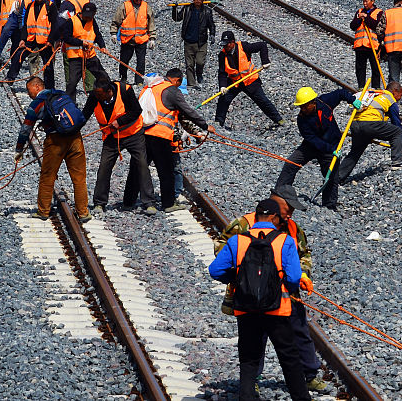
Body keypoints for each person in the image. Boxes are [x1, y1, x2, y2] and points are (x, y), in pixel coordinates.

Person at [214, 187, 325, 393]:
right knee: (268, 346)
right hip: (253, 294)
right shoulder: (243, 225)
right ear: (275, 205)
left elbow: (304, 254)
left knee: (299, 330)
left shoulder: (292, 228)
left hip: (285, 294)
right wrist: (241, 273)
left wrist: (304, 274)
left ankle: (309, 375)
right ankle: (257, 381)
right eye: (288, 209)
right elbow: (222, 247)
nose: (290, 214)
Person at [123, 68, 208, 211]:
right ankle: (168, 204)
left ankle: (128, 202)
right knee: (166, 171)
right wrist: (204, 125)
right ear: (177, 80)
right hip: (160, 136)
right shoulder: (172, 90)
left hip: (141, 134)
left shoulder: (150, 87)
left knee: (137, 168)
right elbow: (187, 111)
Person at [17, 76, 90, 222]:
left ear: (37, 87)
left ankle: (43, 211)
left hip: (56, 141)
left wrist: (19, 149)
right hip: (75, 137)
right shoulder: (60, 94)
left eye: (29, 90)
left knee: (47, 176)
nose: (29, 94)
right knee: (79, 177)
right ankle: (83, 212)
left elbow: (26, 128)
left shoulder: (37, 103)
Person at [83, 76, 156, 215]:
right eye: (96, 94)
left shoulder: (125, 90)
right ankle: (99, 203)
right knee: (104, 167)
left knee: (142, 164)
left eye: (100, 95)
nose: (98, 97)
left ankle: (149, 202)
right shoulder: (95, 96)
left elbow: (136, 111)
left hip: (133, 134)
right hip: (111, 137)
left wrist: (120, 121)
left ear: (109, 91)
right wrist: (72, 129)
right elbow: (85, 114)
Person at [275, 87, 353, 211]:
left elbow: (340, 93)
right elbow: (313, 139)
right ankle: (279, 194)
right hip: (312, 146)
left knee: (331, 176)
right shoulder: (302, 119)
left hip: (332, 144)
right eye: (301, 106)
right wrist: (330, 149)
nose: (303, 109)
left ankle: (329, 206)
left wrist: (352, 100)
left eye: (305, 106)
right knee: (291, 163)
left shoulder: (325, 102)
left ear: (313, 102)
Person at [337, 83, 402, 182]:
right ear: (395, 91)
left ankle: (338, 177)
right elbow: (396, 123)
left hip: (354, 124)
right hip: (370, 123)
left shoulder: (374, 94)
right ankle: (397, 162)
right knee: (397, 132)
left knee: (356, 150)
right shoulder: (390, 99)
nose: (400, 98)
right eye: (400, 95)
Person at [215, 32, 283, 130]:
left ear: (232, 42)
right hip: (235, 82)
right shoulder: (222, 55)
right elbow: (222, 73)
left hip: (250, 80)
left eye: (227, 44)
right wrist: (222, 86)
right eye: (223, 45)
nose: (225, 47)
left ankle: (279, 120)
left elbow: (262, 45)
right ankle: (218, 123)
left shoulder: (243, 47)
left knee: (262, 101)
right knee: (223, 99)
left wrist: (265, 61)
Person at [6, 0, 57, 88]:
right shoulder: (30, 6)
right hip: (31, 39)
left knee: (48, 64)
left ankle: (50, 87)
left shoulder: (50, 6)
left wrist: (51, 40)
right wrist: (23, 39)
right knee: (19, 56)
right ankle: (10, 78)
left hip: (45, 41)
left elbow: (55, 25)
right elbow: (26, 24)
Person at [59, 2, 107, 99]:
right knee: (72, 83)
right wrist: (80, 42)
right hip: (75, 57)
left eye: (90, 16)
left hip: (90, 56)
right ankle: (70, 103)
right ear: (82, 12)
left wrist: (102, 46)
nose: (87, 17)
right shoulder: (71, 21)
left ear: (94, 14)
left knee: (103, 77)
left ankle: (105, 97)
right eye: (86, 15)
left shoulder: (92, 21)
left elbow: (97, 35)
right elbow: (66, 38)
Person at [173, 0, 215, 88]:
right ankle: (191, 83)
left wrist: (212, 34)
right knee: (189, 64)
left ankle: (199, 74)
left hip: (201, 42)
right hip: (188, 42)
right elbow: (177, 18)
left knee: (200, 62)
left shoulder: (207, 11)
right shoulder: (187, 9)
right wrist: (174, 8)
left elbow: (211, 25)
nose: (198, 0)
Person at [112, 0, 155, 84]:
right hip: (127, 40)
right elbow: (116, 21)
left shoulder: (146, 7)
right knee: (124, 61)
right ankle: (123, 78)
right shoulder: (125, 6)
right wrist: (113, 33)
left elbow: (151, 24)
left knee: (141, 62)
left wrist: (152, 38)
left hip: (141, 40)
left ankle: (139, 81)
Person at [349, 0, 384, 88]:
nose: (364, 3)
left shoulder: (379, 12)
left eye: (366, 1)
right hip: (360, 45)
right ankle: (361, 87)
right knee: (360, 68)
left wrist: (366, 17)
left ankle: (376, 87)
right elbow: (353, 26)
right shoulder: (359, 11)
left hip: (373, 45)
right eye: (363, 1)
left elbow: (376, 25)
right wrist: (358, 18)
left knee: (375, 67)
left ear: (372, 1)